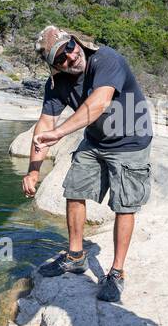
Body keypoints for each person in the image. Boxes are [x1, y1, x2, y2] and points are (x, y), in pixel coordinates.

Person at [23, 26, 153, 303]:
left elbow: (100, 101)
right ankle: (75, 256)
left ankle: (116, 273)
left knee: (124, 205)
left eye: (69, 48)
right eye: (61, 59)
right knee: (74, 189)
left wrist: (59, 133)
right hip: (95, 140)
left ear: (75, 41)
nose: (70, 57)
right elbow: (46, 122)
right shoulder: (57, 85)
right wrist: (33, 170)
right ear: (54, 67)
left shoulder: (107, 59)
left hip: (130, 140)